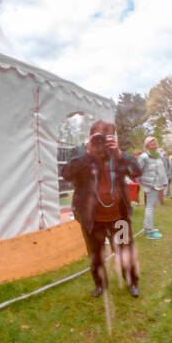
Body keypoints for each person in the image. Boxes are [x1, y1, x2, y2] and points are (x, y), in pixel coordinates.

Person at [60, 120, 141, 297]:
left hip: (119, 217)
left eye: (106, 135)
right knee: (96, 255)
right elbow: (66, 173)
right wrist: (89, 153)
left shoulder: (117, 155)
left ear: (113, 137)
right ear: (90, 136)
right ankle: (100, 285)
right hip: (92, 218)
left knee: (125, 250)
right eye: (98, 135)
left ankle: (132, 282)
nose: (101, 140)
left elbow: (136, 171)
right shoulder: (81, 152)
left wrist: (119, 153)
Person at [137, 136, 170, 239]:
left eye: (155, 143)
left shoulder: (159, 156)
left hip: (157, 184)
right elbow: (137, 170)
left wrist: (164, 181)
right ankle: (149, 231)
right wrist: (143, 182)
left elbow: (163, 169)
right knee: (150, 207)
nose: (154, 145)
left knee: (151, 206)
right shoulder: (143, 157)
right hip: (149, 185)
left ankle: (147, 227)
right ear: (147, 146)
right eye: (152, 144)